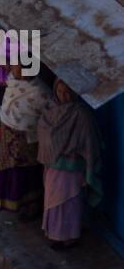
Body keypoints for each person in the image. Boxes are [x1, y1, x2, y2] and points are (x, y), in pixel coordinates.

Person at [37, 77, 102, 248]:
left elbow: (90, 141)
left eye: (68, 92)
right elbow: (43, 133)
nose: (64, 95)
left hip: (73, 169)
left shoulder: (81, 114)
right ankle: (56, 234)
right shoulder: (50, 110)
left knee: (70, 202)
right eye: (60, 91)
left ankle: (70, 237)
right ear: (55, 91)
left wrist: (72, 148)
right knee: (52, 201)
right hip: (53, 166)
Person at [0, 59, 50, 219]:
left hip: (26, 143)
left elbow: (48, 116)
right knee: (9, 172)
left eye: (17, 65)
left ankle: (30, 207)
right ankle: (12, 202)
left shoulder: (39, 91)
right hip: (8, 138)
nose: (12, 68)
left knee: (26, 175)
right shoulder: (13, 82)